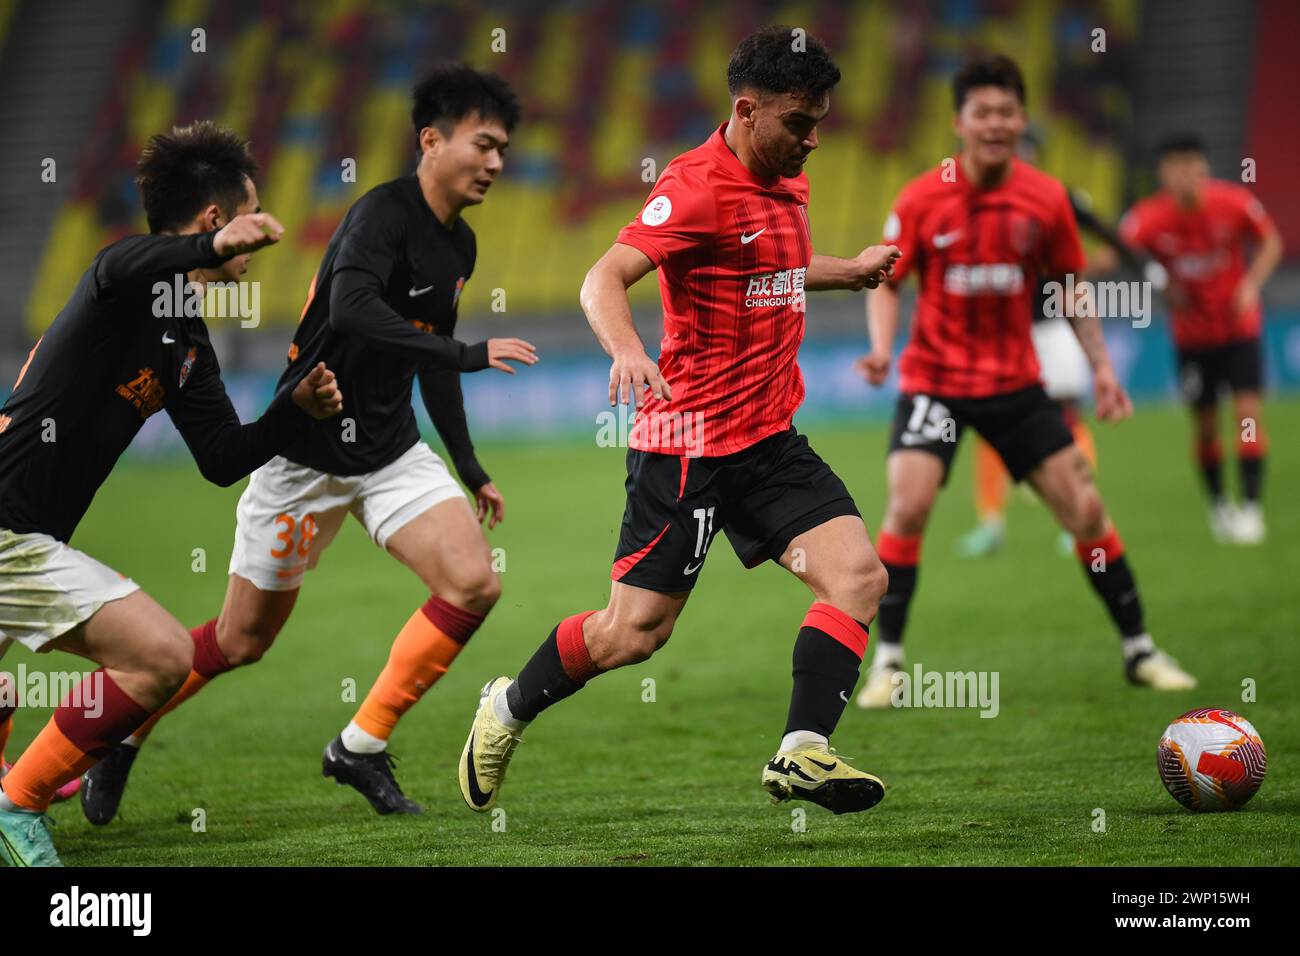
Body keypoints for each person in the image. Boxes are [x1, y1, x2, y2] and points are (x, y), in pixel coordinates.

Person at [459, 27, 900, 818]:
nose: (814, 139)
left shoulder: (784, 176)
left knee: (861, 575)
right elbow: (604, 276)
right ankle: (507, 706)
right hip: (688, 447)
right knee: (633, 635)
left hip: (769, 440)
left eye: (820, 121)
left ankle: (801, 753)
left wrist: (847, 272)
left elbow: (766, 265)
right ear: (746, 111)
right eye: (800, 123)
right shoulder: (694, 186)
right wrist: (627, 350)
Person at [78, 65, 538, 824]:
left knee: (473, 583)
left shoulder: (460, 249)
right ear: (431, 139)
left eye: (503, 150)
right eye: (484, 144)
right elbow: (354, 311)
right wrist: (465, 354)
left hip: (389, 453)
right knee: (239, 640)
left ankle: (359, 745)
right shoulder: (379, 217)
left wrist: (470, 464)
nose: (495, 162)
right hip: (303, 455)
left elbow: (432, 353)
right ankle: (121, 735)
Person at [0, 121, 342, 866]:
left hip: (28, 537)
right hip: (7, 530)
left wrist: (293, 410)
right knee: (158, 656)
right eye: (250, 217)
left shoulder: (184, 335)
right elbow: (131, 262)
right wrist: (209, 250)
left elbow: (222, 458)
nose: (258, 237)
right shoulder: (122, 278)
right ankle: (17, 804)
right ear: (219, 222)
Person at [854, 55, 1197, 711]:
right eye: (982, 112)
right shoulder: (922, 198)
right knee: (908, 506)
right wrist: (877, 348)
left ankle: (1140, 648)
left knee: (1087, 511)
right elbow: (888, 282)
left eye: (1007, 112)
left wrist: (1100, 368)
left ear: (1023, 119)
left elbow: (1070, 286)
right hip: (936, 382)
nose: (996, 123)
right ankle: (890, 663)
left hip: (1015, 383)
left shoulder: (1045, 198)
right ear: (959, 122)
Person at [1119, 133, 1283, 544]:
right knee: (1206, 429)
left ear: (1204, 168)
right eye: (1175, 167)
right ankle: (1218, 505)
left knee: (1247, 417)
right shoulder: (1148, 218)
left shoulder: (1234, 203)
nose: (1184, 175)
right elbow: (1118, 253)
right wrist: (1157, 284)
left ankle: (1251, 507)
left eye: (1191, 166)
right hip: (1192, 340)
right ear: (1162, 174)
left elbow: (1271, 242)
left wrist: (1250, 284)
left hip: (1238, 330)